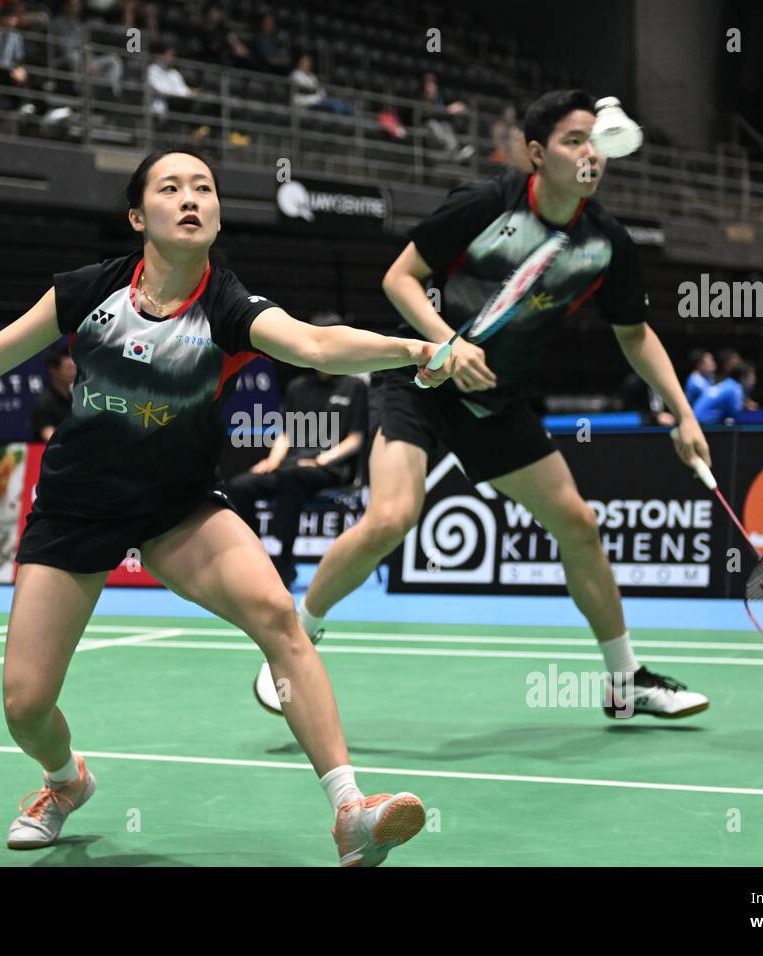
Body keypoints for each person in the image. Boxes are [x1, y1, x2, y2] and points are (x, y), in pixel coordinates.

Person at [0, 149, 454, 866]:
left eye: (205, 187)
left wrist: (409, 347)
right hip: (77, 506)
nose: (191, 197)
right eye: (171, 188)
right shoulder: (89, 291)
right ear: (139, 216)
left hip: (178, 507)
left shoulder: (228, 306)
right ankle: (64, 782)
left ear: (218, 214)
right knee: (24, 706)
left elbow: (318, 345)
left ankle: (351, 811)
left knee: (278, 616)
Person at [259, 90, 713, 722]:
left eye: (595, 142)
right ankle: (294, 641)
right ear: (536, 153)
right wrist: (444, 342)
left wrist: (684, 413)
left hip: (495, 401)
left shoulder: (605, 243)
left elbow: (635, 334)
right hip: (423, 378)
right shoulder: (484, 205)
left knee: (578, 525)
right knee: (393, 516)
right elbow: (398, 278)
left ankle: (624, 679)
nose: (589, 155)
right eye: (572, 141)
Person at [227, 313, 369, 587]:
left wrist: (321, 459)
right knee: (241, 485)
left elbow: (355, 439)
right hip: (292, 466)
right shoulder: (298, 387)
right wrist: (272, 460)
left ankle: (284, 558)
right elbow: (286, 433)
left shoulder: (353, 386)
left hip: (331, 468)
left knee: (292, 480)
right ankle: (257, 555)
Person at [420, 71, 473, 162]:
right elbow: (426, 114)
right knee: (433, 124)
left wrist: (457, 108)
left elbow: (450, 109)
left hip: (442, 126)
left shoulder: (440, 98)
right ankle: (452, 155)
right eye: (428, 85)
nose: (431, 88)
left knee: (447, 125)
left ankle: (455, 152)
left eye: (433, 85)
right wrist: (447, 110)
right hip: (429, 128)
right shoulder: (421, 98)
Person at [30, 341, 75, 442]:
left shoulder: (76, 398)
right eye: (69, 369)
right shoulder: (44, 402)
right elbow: (49, 436)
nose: (74, 373)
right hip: (48, 454)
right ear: (53, 371)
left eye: (75, 368)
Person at [289, 52, 354, 115]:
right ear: (300, 63)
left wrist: (318, 94)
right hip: (303, 101)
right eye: (306, 62)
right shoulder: (296, 74)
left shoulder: (312, 76)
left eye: (309, 63)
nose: (308, 64)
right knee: (335, 105)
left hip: (316, 100)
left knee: (343, 104)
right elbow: (304, 89)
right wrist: (314, 92)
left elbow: (320, 90)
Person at [489, 101, 531, 171]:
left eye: (513, 113)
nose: (511, 115)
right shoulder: (498, 127)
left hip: (513, 157)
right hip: (500, 154)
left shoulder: (515, 129)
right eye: (509, 113)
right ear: (504, 114)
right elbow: (497, 144)